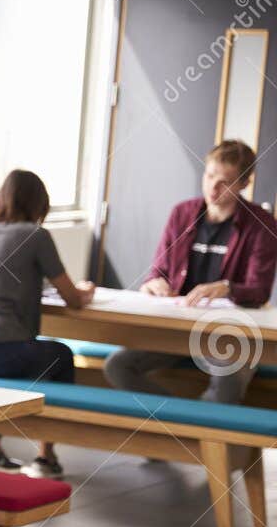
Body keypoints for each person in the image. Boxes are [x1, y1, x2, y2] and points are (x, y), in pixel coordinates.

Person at [0, 169, 95, 479]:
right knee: (61, 357)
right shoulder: (35, 235)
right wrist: (86, 292)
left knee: (25, 357)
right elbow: (72, 298)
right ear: (39, 204)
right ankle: (45, 457)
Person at [104, 139, 277, 404]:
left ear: (244, 184)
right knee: (117, 366)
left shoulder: (262, 224)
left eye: (226, 182)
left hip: (230, 334)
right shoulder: (182, 213)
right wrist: (154, 283)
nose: (213, 187)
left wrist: (227, 287)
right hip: (176, 328)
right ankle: (179, 423)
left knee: (228, 382)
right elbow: (158, 270)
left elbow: (259, 289)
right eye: (209, 176)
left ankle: (196, 434)